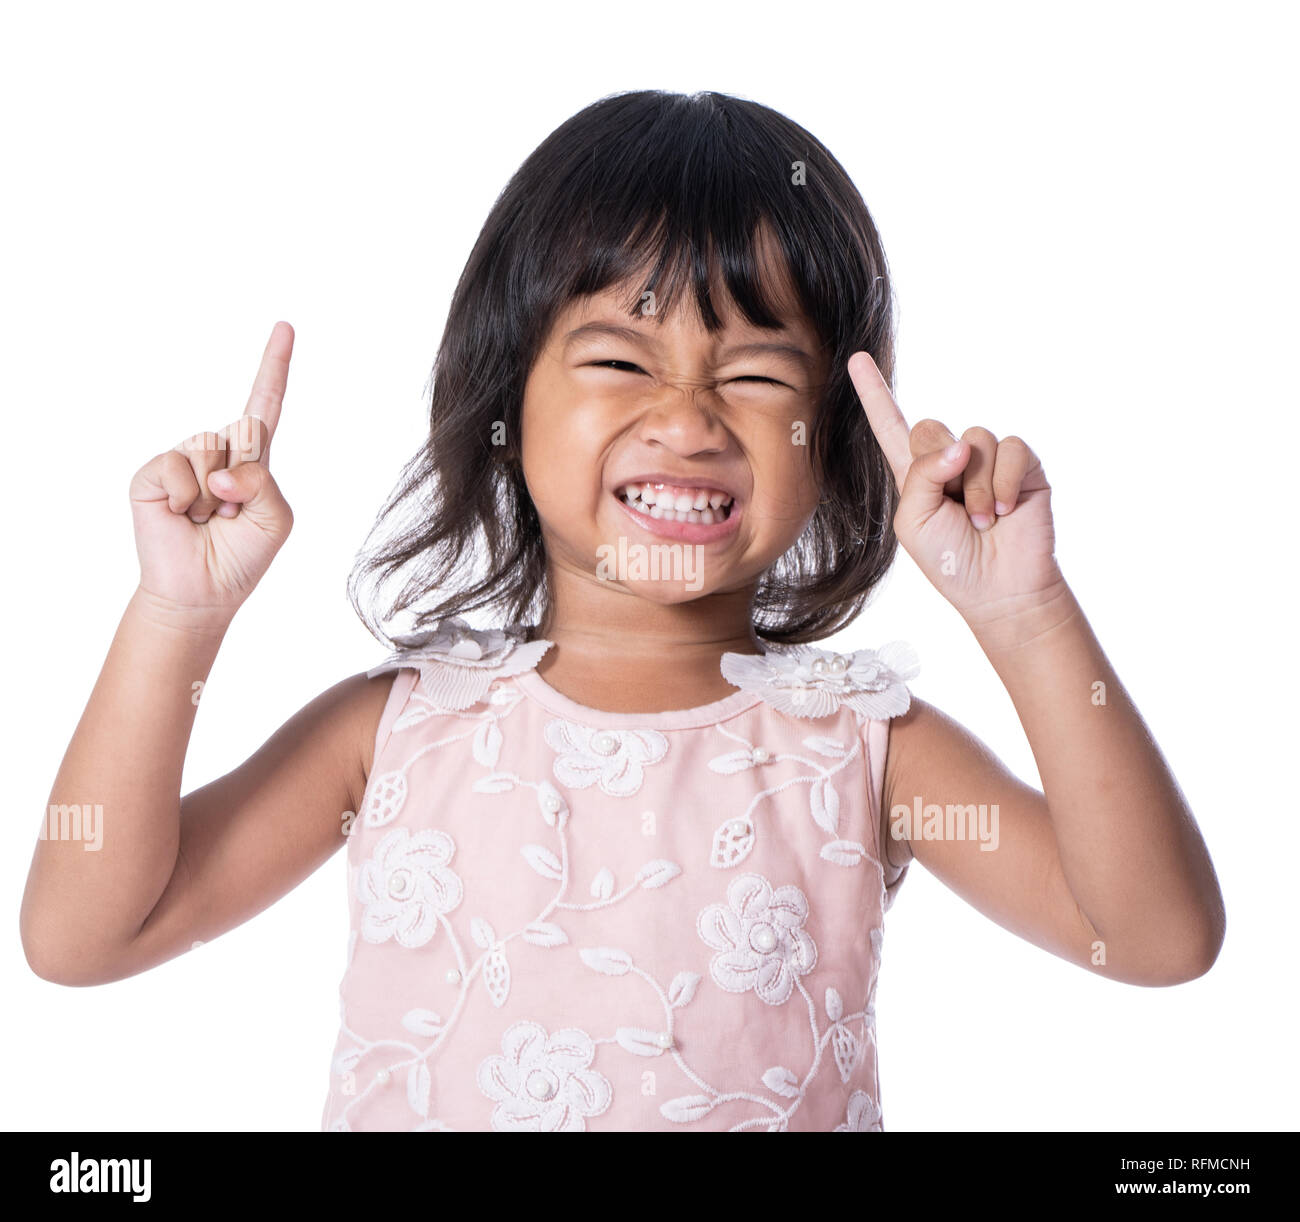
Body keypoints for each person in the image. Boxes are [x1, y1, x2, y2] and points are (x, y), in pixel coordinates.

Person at [21, 90, 1224, 1132]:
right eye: (618, 359)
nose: (688, 419)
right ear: (506, 396)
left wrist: (1025, 614)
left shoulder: (865, 744)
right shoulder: (394, 731)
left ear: (832, 440)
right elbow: (84, 936)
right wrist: (175, 617)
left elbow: (1157, 938)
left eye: (756, 372)